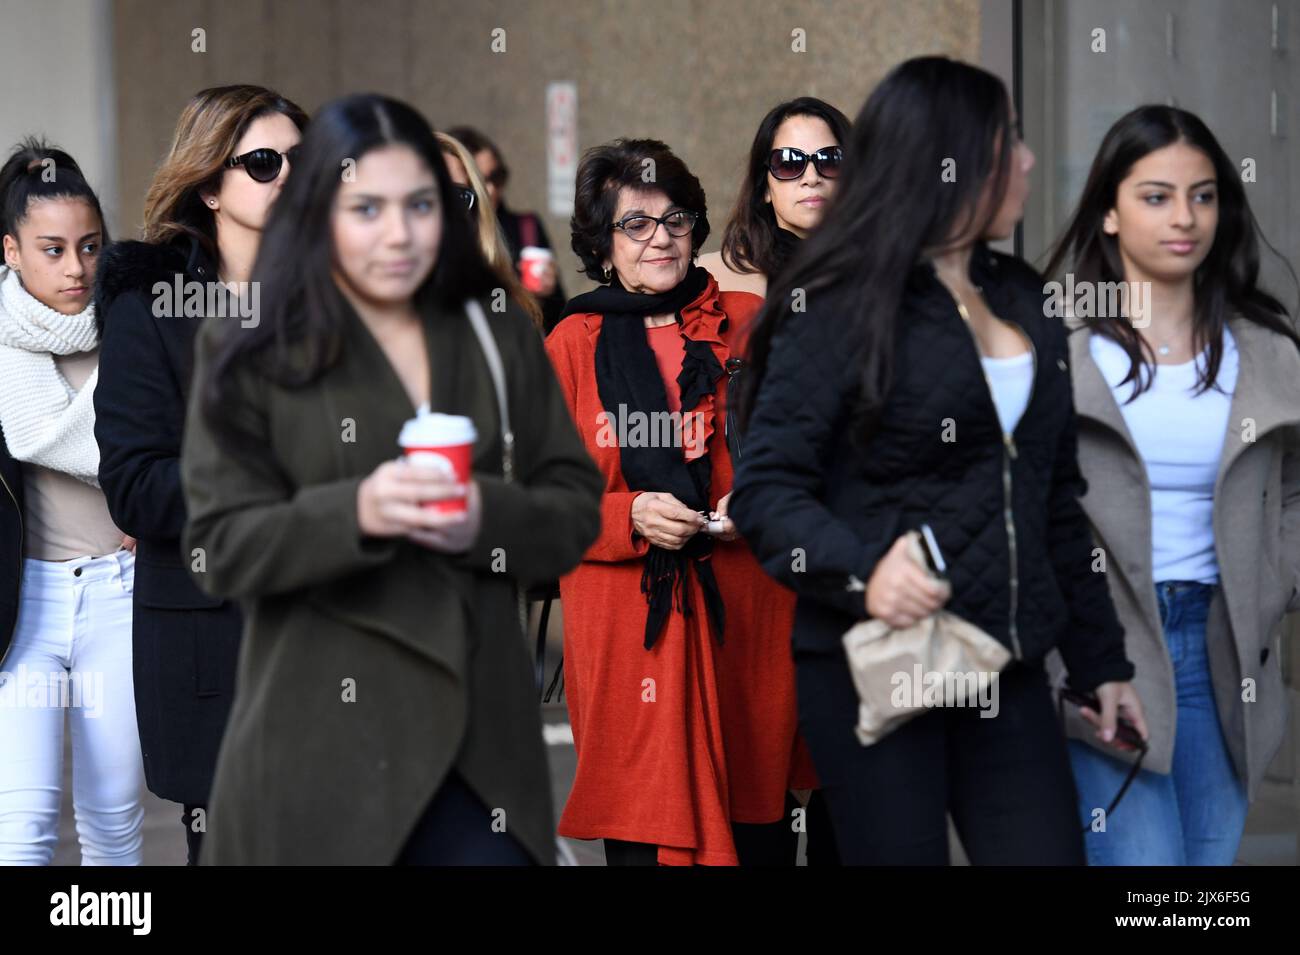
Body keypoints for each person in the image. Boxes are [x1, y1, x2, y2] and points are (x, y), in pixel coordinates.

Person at [729, 56, 1146, 865]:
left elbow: (1057, 498)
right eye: (1008, 141)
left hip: (1009, 663)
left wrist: (1101, 663)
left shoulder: (1026, 296)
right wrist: (865, 568)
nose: (1026, 161)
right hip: (880, 661)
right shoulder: (841, 300)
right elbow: (768, 490)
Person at [181, 93, 602, 865]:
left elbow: (574, 510)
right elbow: (222, 545)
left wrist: (485, 516)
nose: (399, 233)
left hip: (479, 753)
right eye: (365, 207)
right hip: (317, 741)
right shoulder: (252, 341)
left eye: (419, 204)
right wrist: (360, 510)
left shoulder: (494, 326)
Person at [546, 137, 818, 866]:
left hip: (746, 619)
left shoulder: (747, 321)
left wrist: (755, 499)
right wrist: (627, 513)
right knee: (644, 830)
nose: (660, 237)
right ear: (602, 246)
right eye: (635, 224)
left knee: (757, 831)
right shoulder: (572, 342)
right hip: (629, 629)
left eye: (676, 218)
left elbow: (799, 454)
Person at [1046, 104, 1300, 865]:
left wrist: (1275, 577)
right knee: (1143, 871)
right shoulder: (1063, 347)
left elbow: (1292, 491)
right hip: (1105, 648)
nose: (1185, 217)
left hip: (1226, 645)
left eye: (1204, 194)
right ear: (1111, 214)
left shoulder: (1267, 346)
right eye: (1156, 196)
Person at [92, 84, 307, 865]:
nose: (288, 175)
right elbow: (137, 486)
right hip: (216, 639)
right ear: (211, 185)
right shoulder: (149, 308)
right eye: (262, 162)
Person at [0, 138, 142, 864]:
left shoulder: (131, 331)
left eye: (89, 246)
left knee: (114, 822)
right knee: (20, 831)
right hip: (22, 604)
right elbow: (34, 438)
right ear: (11, 251)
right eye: (51, 249)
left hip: (116, 594)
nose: (76, 268)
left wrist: (152, 504)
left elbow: (169, 443)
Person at [699, 96, 850, 296]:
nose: (812, 178)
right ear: (765, 188)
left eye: (830, 160)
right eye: (789, 163)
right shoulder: (711, 279)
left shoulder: (890, 270)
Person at [447, 126, 568, 333]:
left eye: (497, 176)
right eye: (481, 180)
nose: (491, 189)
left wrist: (548, 294)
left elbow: (559, 318)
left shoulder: (526, 226)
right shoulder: (447, 236)